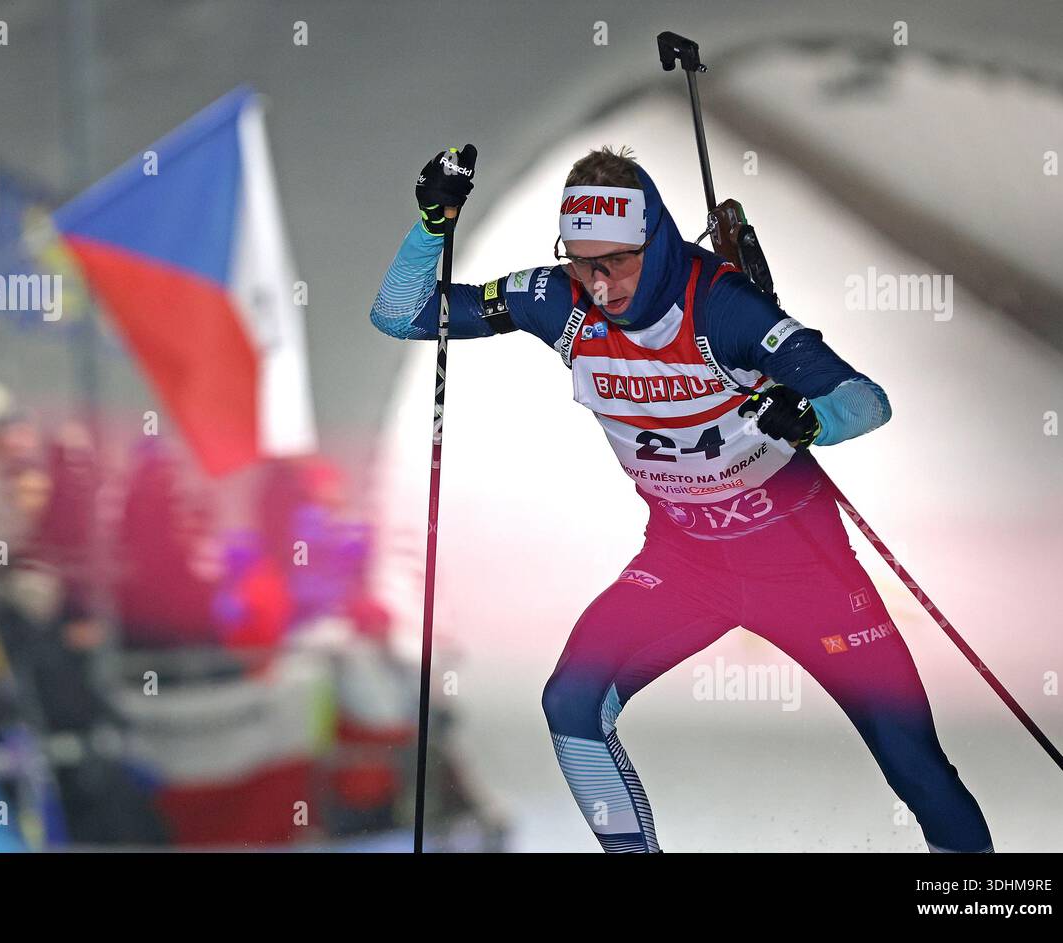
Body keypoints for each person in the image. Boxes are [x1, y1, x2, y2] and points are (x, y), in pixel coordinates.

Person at [369, 144, 992, 854]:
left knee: (914, 763)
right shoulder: (556, 300)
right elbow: (402, 314)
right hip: (686, 561)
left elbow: (866, 400)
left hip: (805, 568)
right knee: (570, 701)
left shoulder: (723, 306)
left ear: (655, 241)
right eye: (582, 261)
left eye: (617, 263)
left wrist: (815, 418)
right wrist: (433, 225)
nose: (600, 283)